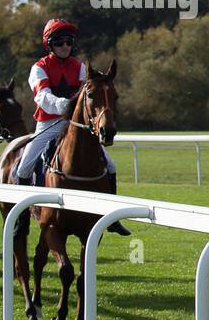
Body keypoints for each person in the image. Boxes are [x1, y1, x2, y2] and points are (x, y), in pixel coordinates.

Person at [16, 19, 128, 234]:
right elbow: (42, 97)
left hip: (76, 125)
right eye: (59, 42)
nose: (65, 46)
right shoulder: (39, 68)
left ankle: (111, 217)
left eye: (69, 41)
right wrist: (68, 106)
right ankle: (22, 218)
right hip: (47, 123)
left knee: (111, 166)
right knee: (24, 167)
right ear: (49, 44)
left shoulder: (79, 67)